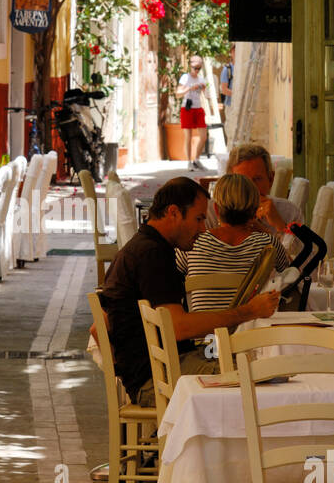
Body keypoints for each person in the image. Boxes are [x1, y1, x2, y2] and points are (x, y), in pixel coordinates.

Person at [97, 177, 280, 407]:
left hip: (159, 372)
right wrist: (248, 311)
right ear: (173, 212)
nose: (203, 229)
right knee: (262, 377)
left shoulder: (141, 247)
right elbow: (178, 327)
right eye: (199, 219)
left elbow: (99, 327)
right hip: (159, 380)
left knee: (256, 366)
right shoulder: (151, 255)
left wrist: (127, 372)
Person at [177, 174, 292, 311]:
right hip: (252, 331)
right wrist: (265, 230)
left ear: (216, 209)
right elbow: (292, 274)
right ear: (254, 212)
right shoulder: (269, 244)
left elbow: (170, 275)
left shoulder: (193, 244)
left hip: (205, 330)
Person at [206, 143, 304, 239]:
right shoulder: (210, 212)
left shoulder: (289, 212)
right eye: (241, 181)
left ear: (270, 179)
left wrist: (280, 226)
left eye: (257, 179)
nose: (250, 188)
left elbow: (304, 254)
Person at [175, 55, 209, 170]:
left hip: (198, 108)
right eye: (195, 68)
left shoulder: (201, 79)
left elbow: (206, 96)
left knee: (203, 136)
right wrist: (190, 88)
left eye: (199, 68)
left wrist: (204, 89)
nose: (197, 70)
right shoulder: (185, 77)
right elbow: (178, 94)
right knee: (188, 137)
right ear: (190, 66)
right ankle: (189, 162)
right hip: (187, 108)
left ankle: (197, 159)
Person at [218, 49, 234, 114]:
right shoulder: (227, 69)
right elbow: (224, 90)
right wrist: (238, 96)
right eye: (234, 51)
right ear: (231, 52)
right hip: (231, 105)